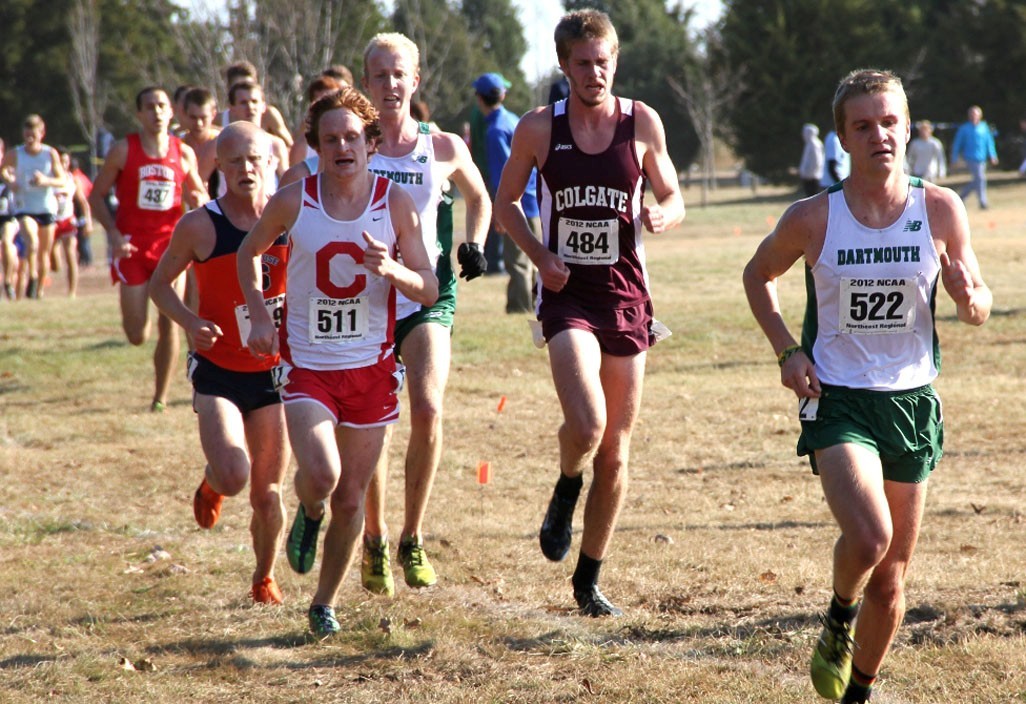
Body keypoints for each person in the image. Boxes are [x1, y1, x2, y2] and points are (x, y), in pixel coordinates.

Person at [742, 69, 991, 704]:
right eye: (863, 126)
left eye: (889, 122)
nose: (879, 135)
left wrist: (970, 298)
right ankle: (837, 614)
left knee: (892, 580)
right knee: (871, 539)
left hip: (911, 401)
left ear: (907, 128)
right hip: (839, 399)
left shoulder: (939, 208)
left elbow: (978, 301)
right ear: (843, 139)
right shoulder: (813, 217)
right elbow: (757, 275)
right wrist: (788, 350)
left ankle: (860, 690)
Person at [493, 9, 685, 617]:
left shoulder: (642, 123)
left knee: (617, 451)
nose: (595, 72)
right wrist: (540, 254)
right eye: (583, 63)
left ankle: (589, 577)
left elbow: (672, 193)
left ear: (615, 61)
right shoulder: (538, 129)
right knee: (587, 424)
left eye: (603, 61)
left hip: (627, 296)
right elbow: (506, 207)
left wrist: (664, 213)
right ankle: (565, 485)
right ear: (564, 65)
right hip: (568, 296)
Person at [237, 86, 438, 637]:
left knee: (352, 498)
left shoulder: (394, 202)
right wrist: (257, 313)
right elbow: (247, 252)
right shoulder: (293, 200)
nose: (343, 146)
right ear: (316, 147)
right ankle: (310, 506)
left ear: (371, 143)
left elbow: (429, 285)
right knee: (322, 475)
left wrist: (393, 271)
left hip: (371, 370)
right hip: (308, 366)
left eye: (353, 137)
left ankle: (323, 603)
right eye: (331, 139)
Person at [360, 32, 491, 597]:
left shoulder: (441, 148)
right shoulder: (352, 147)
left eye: (399, 74)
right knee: (374, 426)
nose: (390, 85)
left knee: (430, 408)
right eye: (379, 76)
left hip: (427, 296)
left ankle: (411, 536)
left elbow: (480, 198)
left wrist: (475, 242)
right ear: (366, 85)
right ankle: (374, 538)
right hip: (364, 304)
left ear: (416, 80)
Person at [149, 122, 291, 604]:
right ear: (219, 168)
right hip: (219, 373)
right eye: (234, 161)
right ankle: (212, 484)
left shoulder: (292, 218)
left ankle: (263, 577)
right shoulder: (200, 225)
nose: (246, 169)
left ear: (271, 161)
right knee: (234, 473)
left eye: (254, 159)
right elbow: (158, 286)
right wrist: (190, 321)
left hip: (275, 373)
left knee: (269, 495)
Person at [89, 86, 208, 412]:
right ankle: (143, 346)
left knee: (171, 320)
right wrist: (112, 232)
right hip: (132, 248)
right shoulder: (122, 151)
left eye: (162, 106)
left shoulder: (182, 153)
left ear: (171, 112)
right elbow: (96, 195)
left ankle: (161, 396)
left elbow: (198, 192)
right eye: (150, 107)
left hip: (171, 248)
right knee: (137, 333)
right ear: (139, 114)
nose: (156, 112)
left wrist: (198, 202)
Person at [473, 72, 538, 313]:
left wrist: (500, 211)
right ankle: (535, 302)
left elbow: (502, 174)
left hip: (517, 201)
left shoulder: (495, 131)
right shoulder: (513, 119)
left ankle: (520, 308)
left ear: (479, 99)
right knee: (531, 257)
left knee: (517, 259)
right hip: (532, 197)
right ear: (503, 95)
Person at [0, 114, 66, 299]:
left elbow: (61, 179)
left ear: (41, 134)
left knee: (44, 253)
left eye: (33, 136)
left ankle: (38, 290)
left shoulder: (49, 153)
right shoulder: (16, 153)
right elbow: (3, 169)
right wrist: (10, 180)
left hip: (46, 207)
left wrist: (45, 180)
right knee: (32, 241)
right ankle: (33, 274)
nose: (29, 140)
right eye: (27, 135)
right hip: (24, 207)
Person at [214, 61, 294, 150]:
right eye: (237, 86)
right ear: (229, 88)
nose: (243, 89)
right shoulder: (219, 119)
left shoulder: (268, 114)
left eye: (248, 84)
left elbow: (289, 144)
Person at [51, 148, 90, 298]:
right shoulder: (47, 179)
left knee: (71, 254)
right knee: (55, 264)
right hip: (51, 222)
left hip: (67, 221)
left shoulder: (72, 179)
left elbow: (83, 203)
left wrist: (88, 222)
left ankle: (72, 292)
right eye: (60, 162)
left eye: (66, 161)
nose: (63, 165)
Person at [950, 105, 997, 209]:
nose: (973, 116)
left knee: (978, 179)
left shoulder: (984, 127)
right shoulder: (964, 128)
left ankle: (962, 196)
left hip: (982, 158)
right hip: (970, 157)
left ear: (980, 116)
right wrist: (954, 158)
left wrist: (993, 155)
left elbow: (989, 142)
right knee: (980, 178)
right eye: (971, 114)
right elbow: (957, 144)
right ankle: (983, 202)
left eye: (975, 114)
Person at [799, 123, 825, 197]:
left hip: (813, 177)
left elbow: (817, 161)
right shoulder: (809, 144)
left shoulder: (814, 144)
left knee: (812, 195)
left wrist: (810, 173)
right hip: (808, 175)